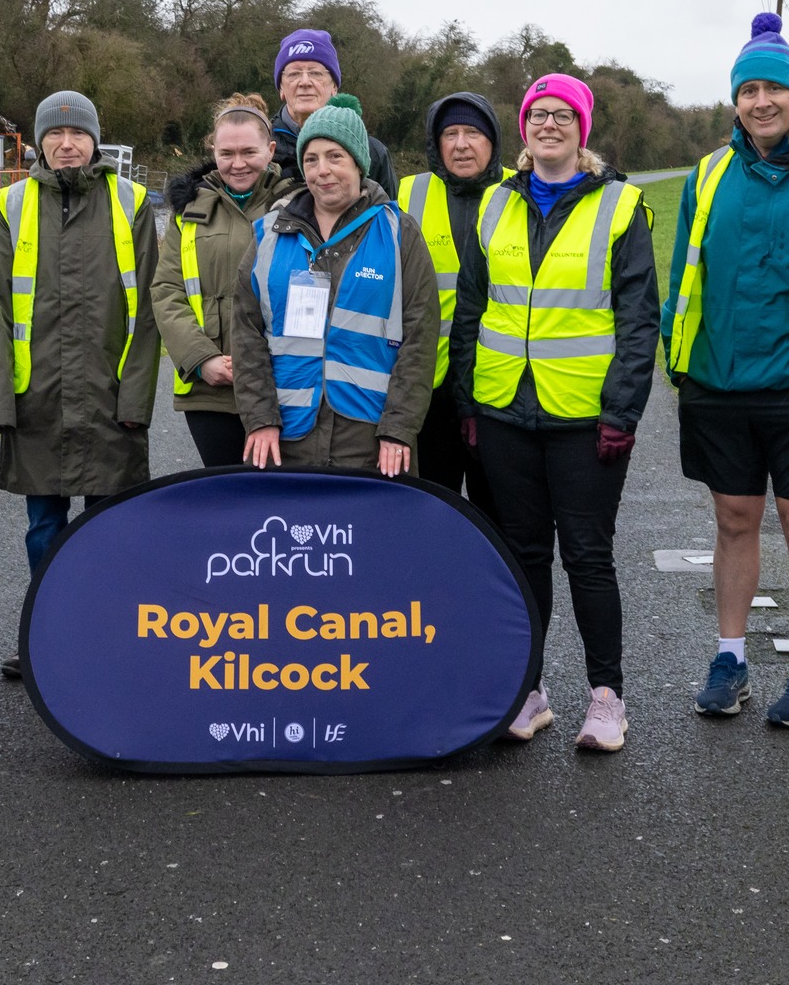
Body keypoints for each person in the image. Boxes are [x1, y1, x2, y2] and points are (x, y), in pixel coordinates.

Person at [665, 15, 789, 728]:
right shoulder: (710, 172)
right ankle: (730, 659)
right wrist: (678, 354)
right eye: (747, 90)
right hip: (718, 381)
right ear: (735, 102)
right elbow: (685, 271)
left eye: (772, 90)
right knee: (732, 519)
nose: (760, 102)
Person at [450, 73, 657, 753]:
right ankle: (528, 689)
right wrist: (467, 401)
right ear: (523, 129)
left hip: (585, 415)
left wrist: (621, 413)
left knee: (589, 558)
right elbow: (471, 312)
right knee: (523, 554)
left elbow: (638, 322)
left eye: (562, 116)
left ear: (582, 131)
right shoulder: (494, 207)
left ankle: (606, 697)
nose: (547, 125)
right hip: (505, 407)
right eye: (537, 114)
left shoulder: (621, 207)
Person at [0, 90, 159, 680]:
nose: (66, 144)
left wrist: (135, 399)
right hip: (40, 400)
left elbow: (150, 311)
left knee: (111, 528)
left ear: (94, 139)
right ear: (38, 143)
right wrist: (1, 402)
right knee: (43, 529)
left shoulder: (130, 202)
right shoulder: (10, 205)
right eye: (54, 135)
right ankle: (49, 634)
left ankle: (108, 634)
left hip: (110, 398)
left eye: (77, 134)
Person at [231, 94, 438, 474]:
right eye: (311, 159)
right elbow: (247, 335)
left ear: (359, 163)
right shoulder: (268, 236)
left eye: (335, 157)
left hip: (371, 437)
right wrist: (260, 418)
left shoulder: (400, 234)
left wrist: (399, 427)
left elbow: (421, 339)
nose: (321, 170)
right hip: (284, 435)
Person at [153, 93, 296, 466]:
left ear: (271, 149)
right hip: (211, 390)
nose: (237, 164)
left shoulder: (300, 204)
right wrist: (202, 360)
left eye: (249, 152)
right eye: (226, 153)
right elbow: (168, 290)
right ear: (212, 150)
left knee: (276, 506)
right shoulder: (188, 210)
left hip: (283, 386)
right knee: (225, 505)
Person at [397, 92, 504, 514]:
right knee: (428, 514)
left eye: (473, 132)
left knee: (498, 521)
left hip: (496, 384)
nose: (461, 144)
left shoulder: (520, 189)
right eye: (450, 133)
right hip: (428, 384)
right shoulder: (407, 194)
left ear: (493, 141)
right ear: (435, 144)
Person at [268, 29, 397, 196]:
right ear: (281, 89)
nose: (305, 82)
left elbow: (389, 216)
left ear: (334, 86)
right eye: (294, 74)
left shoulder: (372, 152)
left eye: (315, 73)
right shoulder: (261, 149)